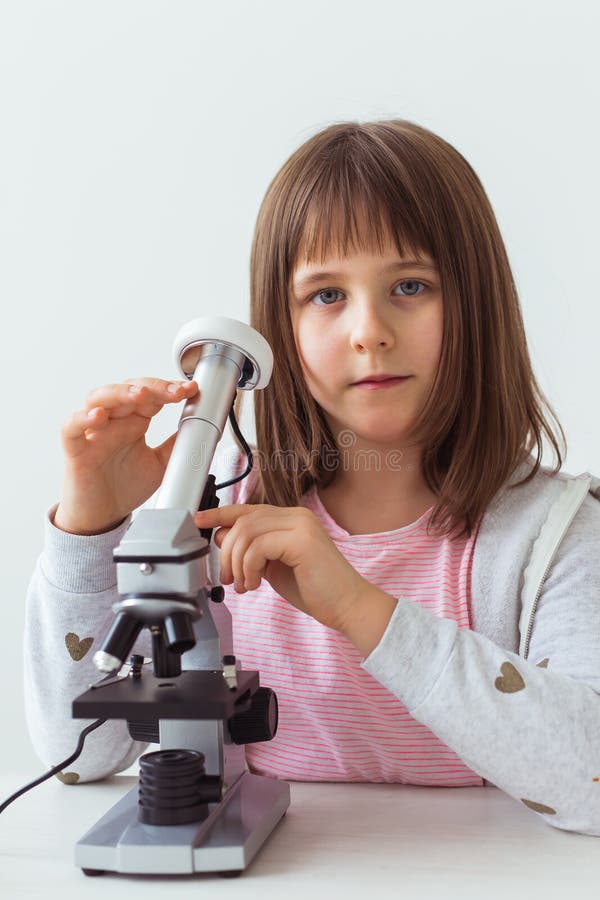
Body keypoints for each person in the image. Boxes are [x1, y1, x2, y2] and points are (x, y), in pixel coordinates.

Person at [24, 119, 600, 836]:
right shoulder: (221, 506)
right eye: (326, 296)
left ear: (476, 304)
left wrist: (360, 609)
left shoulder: (554, 535)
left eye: (411, 285)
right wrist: (91, 524)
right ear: (280, 329)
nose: (369, 331)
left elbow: (592, 780)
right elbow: (78, 757)